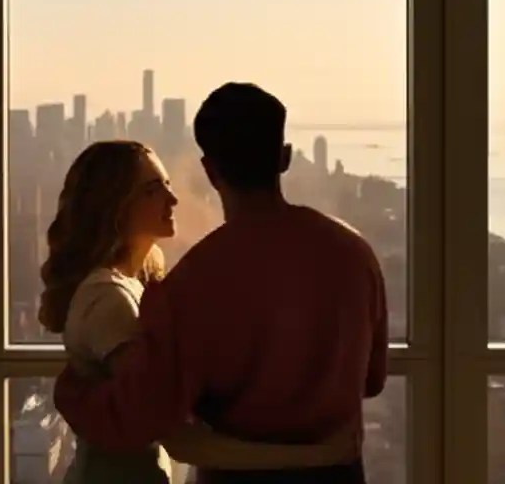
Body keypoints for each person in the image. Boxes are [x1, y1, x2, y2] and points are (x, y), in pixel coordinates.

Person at [54, 84, 389, 484]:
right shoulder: (355, 255)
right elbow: (372, 380)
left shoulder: (189, 284)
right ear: (284, 158)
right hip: (340, 476)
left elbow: (147, 413)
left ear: (211, 171)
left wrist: (73, 389)